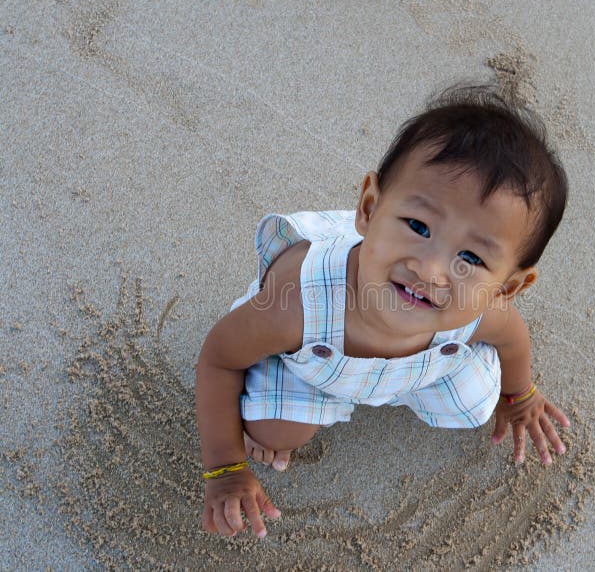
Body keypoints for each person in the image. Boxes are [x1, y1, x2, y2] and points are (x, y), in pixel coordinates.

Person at [196, 83, 571, 538]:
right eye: (418, 226)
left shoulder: (480, 311)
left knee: (477, 403)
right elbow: (219, 358)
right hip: (315, 357)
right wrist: (225, 467)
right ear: (370, 208)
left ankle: (401, 385)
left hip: (421, 364)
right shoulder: (296, 303)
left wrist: (520, 395)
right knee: (275, 430)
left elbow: (512, 340)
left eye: (471, 258)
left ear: (506, 288)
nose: (429, 270)